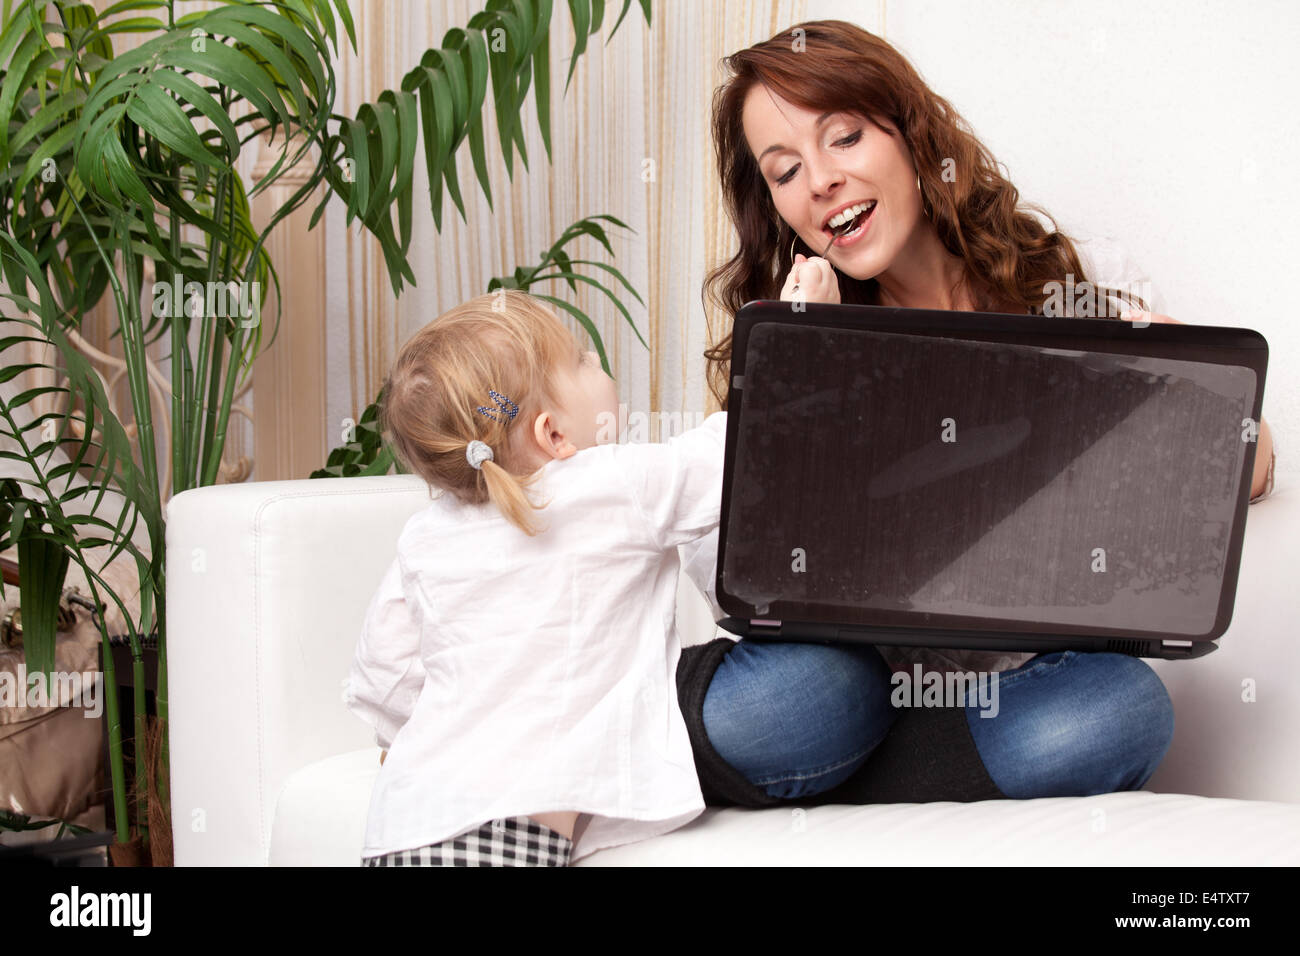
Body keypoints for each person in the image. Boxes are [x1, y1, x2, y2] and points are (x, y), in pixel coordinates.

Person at [670, 19, 1277, 811]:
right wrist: (802, 378)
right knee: (801, 700)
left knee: (1118, 711)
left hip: (996, 701)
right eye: (784, 171)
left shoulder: (1070, 282)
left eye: (845, 137)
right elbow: (738, 583)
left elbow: (1251, 456)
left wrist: (1123, 380)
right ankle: (819, 748)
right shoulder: (797, 328)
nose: (818, 181)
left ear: (910, 132)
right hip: (844, 678)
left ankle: (859, 780)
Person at [345, 290, 729, 866]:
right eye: (581, 359)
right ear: (554, 434)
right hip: (508, 836)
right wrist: (802, 327)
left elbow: (386, 676)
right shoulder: (612, 482)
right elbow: (729, 457)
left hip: (401, 825)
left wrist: (397, 741)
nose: (599, 363)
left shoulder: (425, 535)